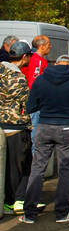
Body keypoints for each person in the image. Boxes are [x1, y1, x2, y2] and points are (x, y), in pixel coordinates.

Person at [21, 54, 69, 224]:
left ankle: (30, 213)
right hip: (67, 126)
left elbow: (30, 106)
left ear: (55, 63)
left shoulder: (41, 79)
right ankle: (61, 213)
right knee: (65, 170)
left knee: (37, 168)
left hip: (44, 126)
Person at [1, 41, 34, 216]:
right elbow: (27, 102)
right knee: (23, 166)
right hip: (17, 125)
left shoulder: (1, 70)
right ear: (24, 57)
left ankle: (7, 201)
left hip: (2, 126)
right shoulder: (18, 77)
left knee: (6, 167)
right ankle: (17, 201)